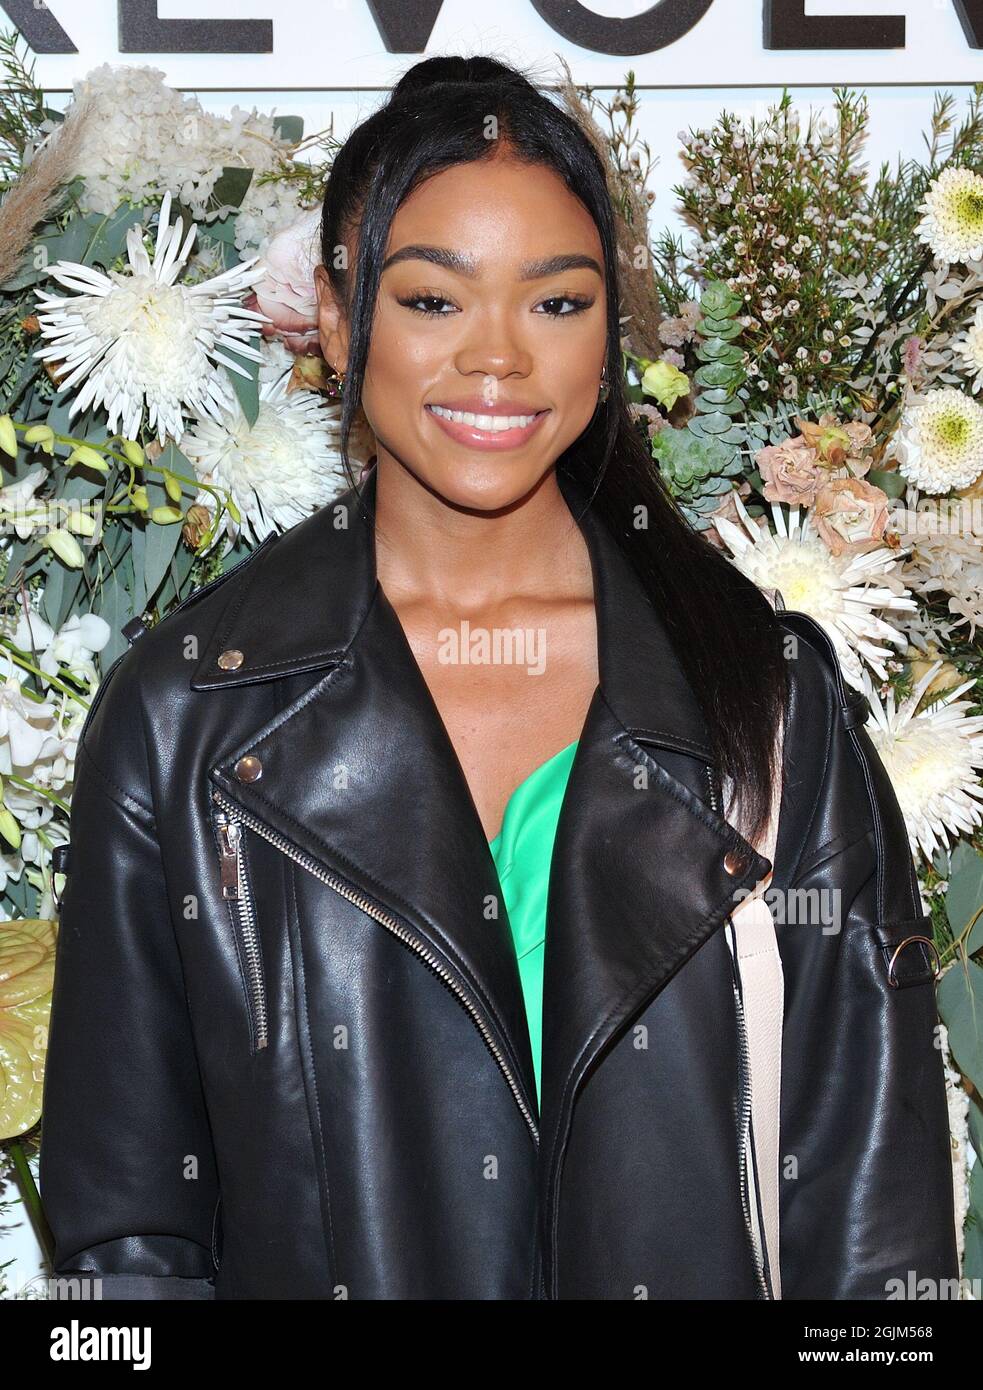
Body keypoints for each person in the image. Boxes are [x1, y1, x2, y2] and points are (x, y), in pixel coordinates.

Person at [38, 54, 959, 1301]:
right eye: (430, 301)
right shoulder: (183, 713)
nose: (496, 362)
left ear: (607, 332)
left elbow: (874, 1225)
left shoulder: (762, 696)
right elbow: (129, 1242)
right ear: (332, 305)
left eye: (556, 303)